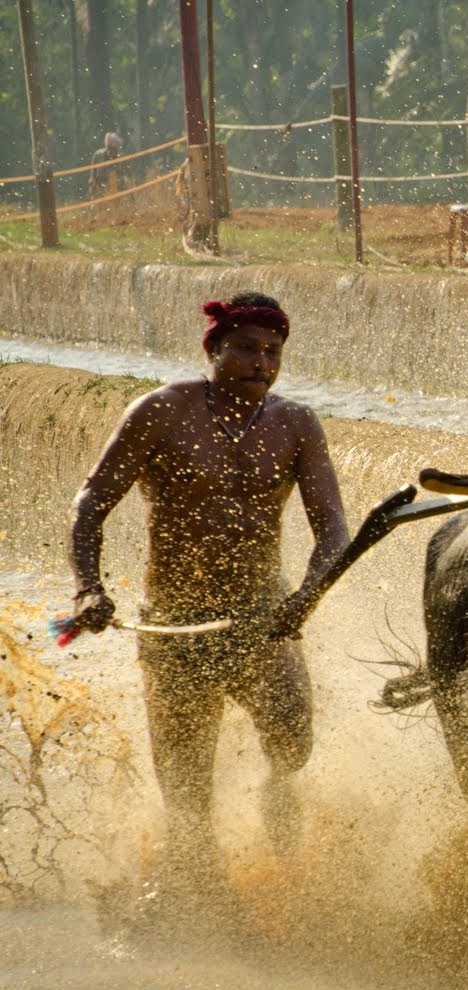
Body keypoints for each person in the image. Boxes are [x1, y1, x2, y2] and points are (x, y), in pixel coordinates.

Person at [68, 292, 350, 883]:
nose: (261, 363)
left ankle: (276, 788)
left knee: (294, 741)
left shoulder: (296, 424)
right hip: (174, 624)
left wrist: (306, 598)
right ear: (215, 349)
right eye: (246, 348)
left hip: (262, 617)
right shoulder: (161, 412)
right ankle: (199, 899)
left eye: (273, 352)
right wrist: (88, 590)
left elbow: (334, 532)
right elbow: (92, 503)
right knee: (188, 791)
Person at [88, 131, 123, 199]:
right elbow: (92, 176)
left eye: (114, 149)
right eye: (110, 148)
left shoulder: (120, 159)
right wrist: (92, 193)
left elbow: (123, 178)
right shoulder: (98, 156)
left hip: (115, 192)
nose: (112, 151)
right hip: (100, 189)